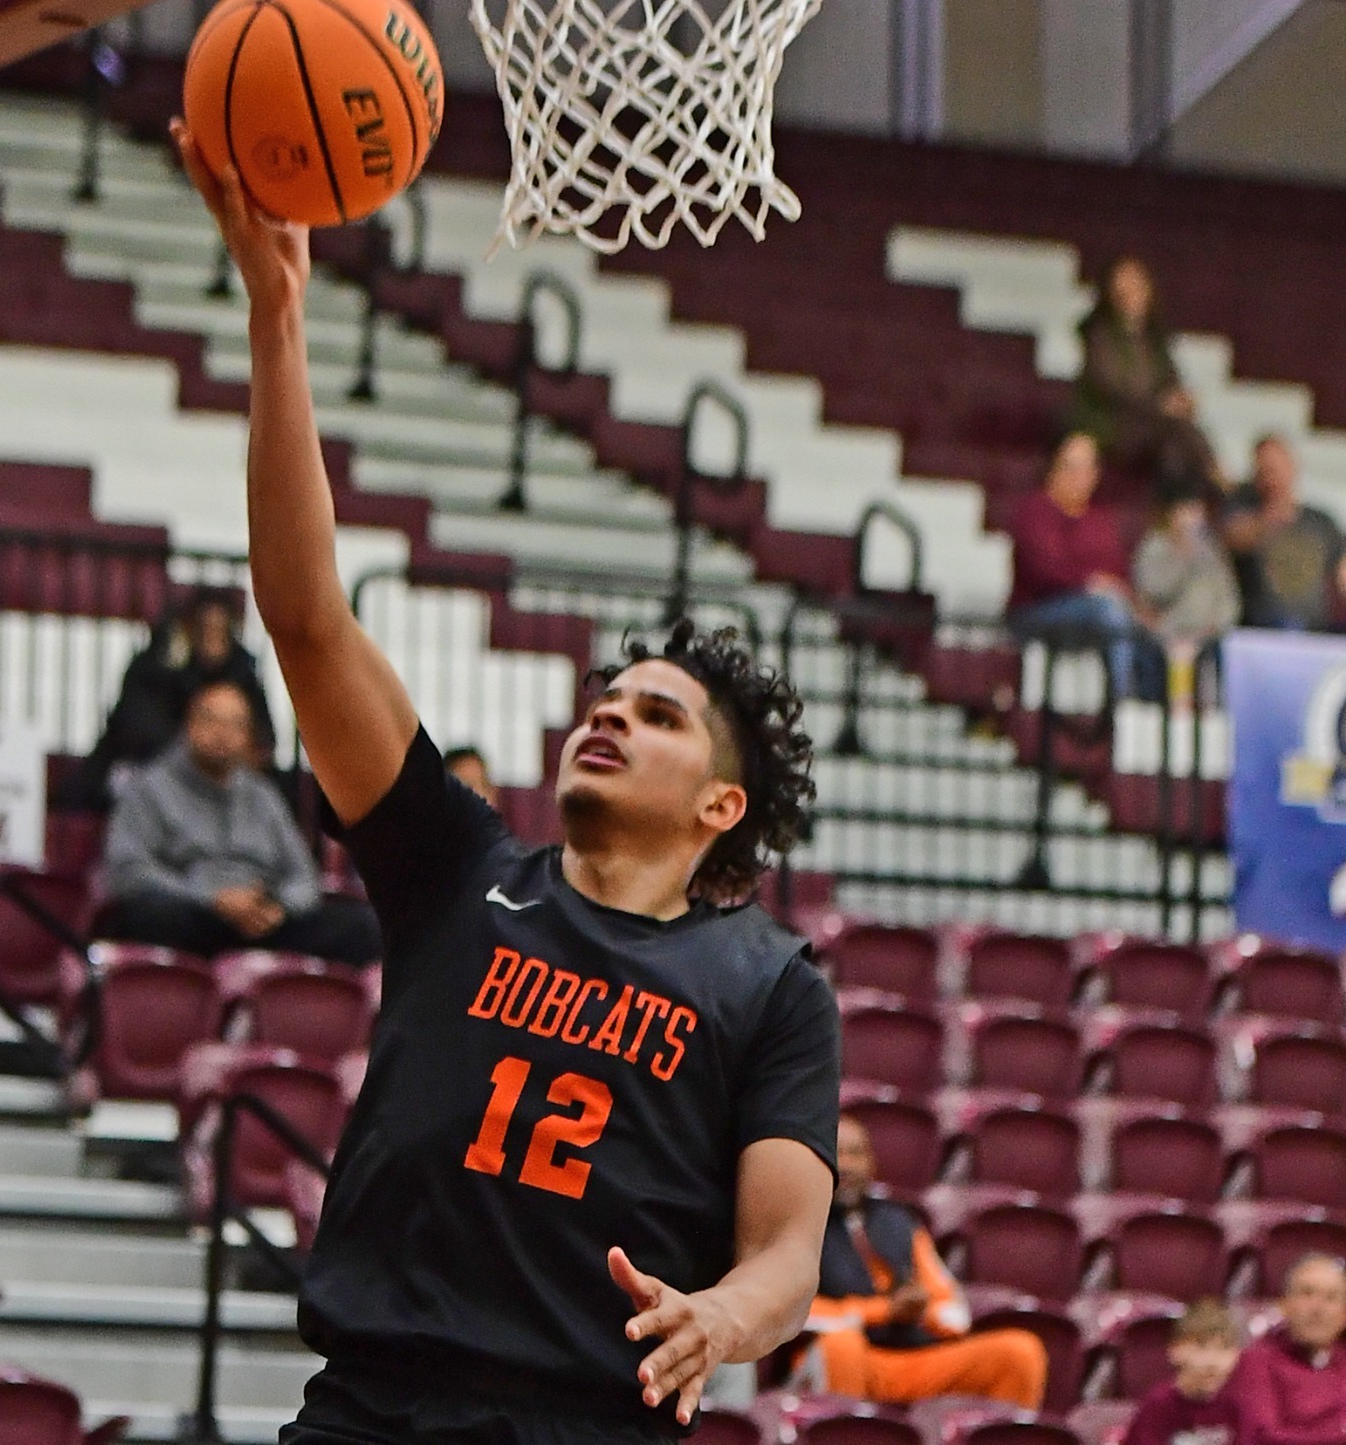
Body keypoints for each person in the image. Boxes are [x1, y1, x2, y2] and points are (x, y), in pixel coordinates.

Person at [171, 116, 840, 1443]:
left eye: (657, 715)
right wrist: (278, 317)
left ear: (721, 808)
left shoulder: (768, 985)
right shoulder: (457, 867)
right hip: (368, 1403)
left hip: (587, 1417)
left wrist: (724, 1317)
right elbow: (306, 619)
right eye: (610, 696)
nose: (612, 713)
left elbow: (785, 1255)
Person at [101, 679, 383, 963]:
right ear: (189, 724)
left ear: (248, 736)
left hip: (262, 920)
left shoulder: (264, 796)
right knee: (149, 917)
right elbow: (129, 870)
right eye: (211, 720)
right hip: (191, 913)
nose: (222, 734)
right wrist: (211, 898)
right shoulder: (149, 789)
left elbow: (304, 875)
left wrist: (279, 907)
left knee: (362, 926)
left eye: (236, 725)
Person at [798, 1114, 1047, 1408]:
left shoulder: (900, 1222)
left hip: (913, 1359)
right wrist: (883, 1311)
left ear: (872, 1163)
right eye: (837, 1153)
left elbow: (953, 1313)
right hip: (845, 1360)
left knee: (1019, 1352)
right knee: (841, 1347)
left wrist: (920, 1308)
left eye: (857, 1153)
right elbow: (797, 1315)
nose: (848, 1165)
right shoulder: (801, 1223)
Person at [76, 587, 278, 807]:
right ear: (187, 628)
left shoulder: (242, 673)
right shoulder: (154, 666)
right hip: (148, 768)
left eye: (220, 631)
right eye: (205, 629)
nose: (213, 641)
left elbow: (263, 739)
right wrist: (197, 751)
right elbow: (134, 728)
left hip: (224, 779)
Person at [1008, 431, 1164, 702]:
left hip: (1096, 605)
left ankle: (1151, 705)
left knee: (1152, 626)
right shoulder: (1035, 511)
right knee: (1109, 612)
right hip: (1039, 608)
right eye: (1070, 467)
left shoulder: (1100, 522)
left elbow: (1119, 572)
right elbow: (1042, 570)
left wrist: (1131, 601)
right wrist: (1089, 583)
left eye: (1086, 467)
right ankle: (1121, 701)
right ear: (1053, 469)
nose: (1078, 476)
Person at [1074, 255, 1222, 498]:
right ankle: (1213, 478)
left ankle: (1187, 502)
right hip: (1115, 424)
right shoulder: (1099, 336)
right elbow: (1112, 387)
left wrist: (1180, 399)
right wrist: (1159, 405)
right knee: (1175, 430)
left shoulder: (1154, 339)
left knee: (1175, 440)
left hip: (1154, 424)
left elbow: (1170, 380)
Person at [1223, 435, 1346, 630]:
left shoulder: (1321, 522)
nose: (1272, 476)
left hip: (1316, 629)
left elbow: (1342, 572)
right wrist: (1269, 517)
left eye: (1276, 467)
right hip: (1264, 628)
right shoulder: (1244, 514)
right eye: (1265, 469)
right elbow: (1234, 538)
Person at [1227, 1253, 1346, 1445]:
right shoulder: (1255, 1362)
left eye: (1331, 1298)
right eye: (1307, 1293)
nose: (1318, 1308)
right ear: (1285, 1305)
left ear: (1344, 1315)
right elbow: (1263, 1437)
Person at [1132, 490, 1241, 692]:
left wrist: (1219, 624)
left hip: (1209, 634)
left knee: (1228, 651)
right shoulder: (1154, 548)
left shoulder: (1211, 552)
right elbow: (1156, 593)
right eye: (1184, 511)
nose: (1190, 519)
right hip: (1169, 632)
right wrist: (1184, 559)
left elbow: (1228, 596)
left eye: (1196, 512)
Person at [1124, 1298, 1251, 1445]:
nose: (1213, 1362)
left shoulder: (1238, 1408)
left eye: (1224, 1348)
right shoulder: (1157, 1407)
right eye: (1202, 1347)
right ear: (1175, 1350)